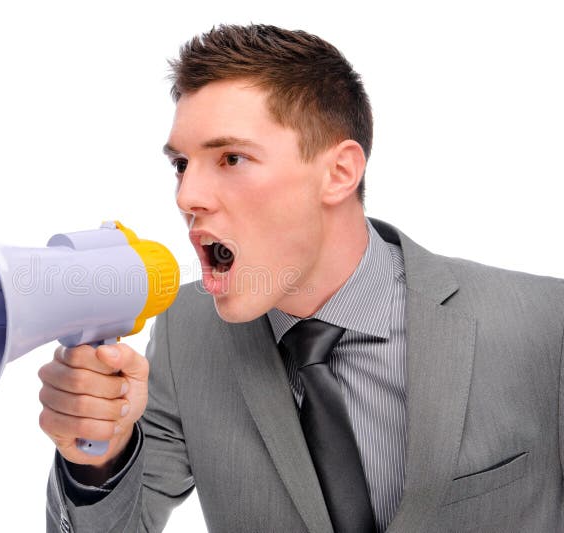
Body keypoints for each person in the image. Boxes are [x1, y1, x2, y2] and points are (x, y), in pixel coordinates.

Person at [39, 24, 564, 532]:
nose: (186, 197)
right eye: (181, 164)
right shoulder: (184, 332)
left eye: (231, 157)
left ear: (338, 173)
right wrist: (99, 459)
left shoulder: (543, 321)